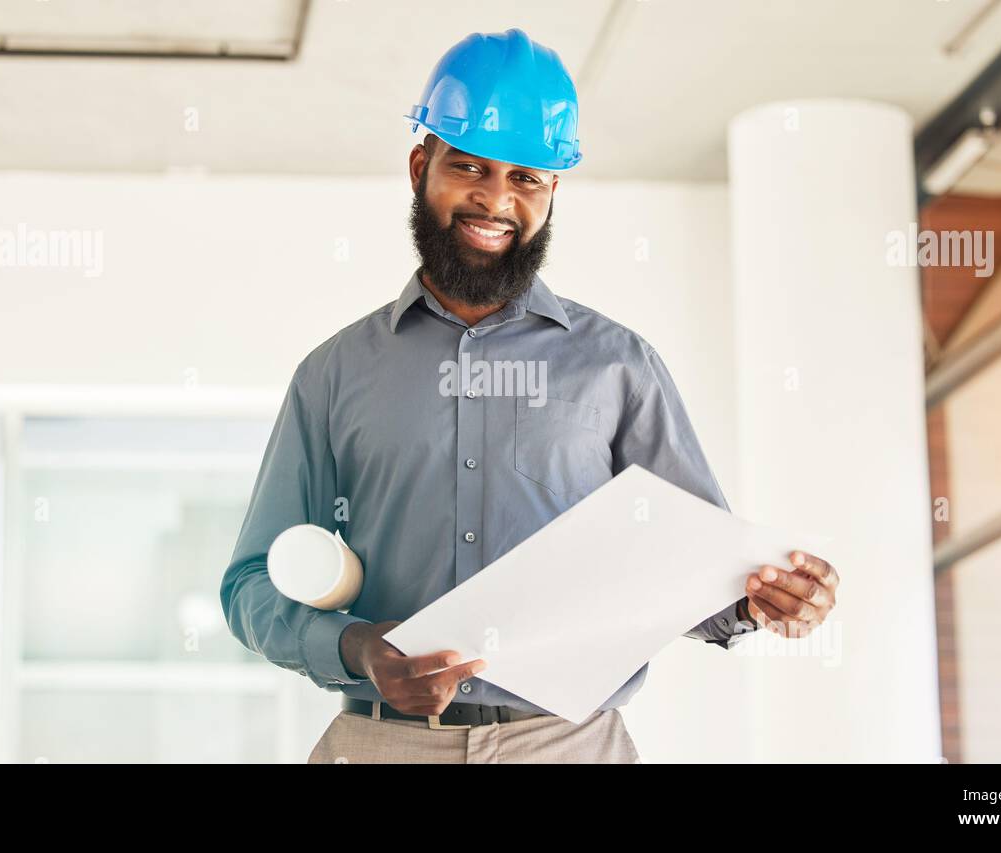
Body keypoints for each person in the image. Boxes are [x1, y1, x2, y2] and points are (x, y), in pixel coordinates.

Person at [220, 27, 839, 764]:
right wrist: (356, 646)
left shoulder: (618, 367)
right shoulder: (334, 374)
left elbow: (688, 564)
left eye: (526, 178)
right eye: (470, 168)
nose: (495, 199)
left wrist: (759, 598)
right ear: (422, 166)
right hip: (382, 740)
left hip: (569, 744)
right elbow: (251, 585)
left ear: (552, 191)